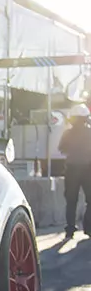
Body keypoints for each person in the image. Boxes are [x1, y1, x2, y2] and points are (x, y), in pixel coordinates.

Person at [58, 103, 91, 240]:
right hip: (88, 169)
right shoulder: (90, 132)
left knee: (71, 201)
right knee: (90, 200)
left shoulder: (67, 133)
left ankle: (70, 230)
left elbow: (61, 149)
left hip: (71, 169)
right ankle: (88, 228)